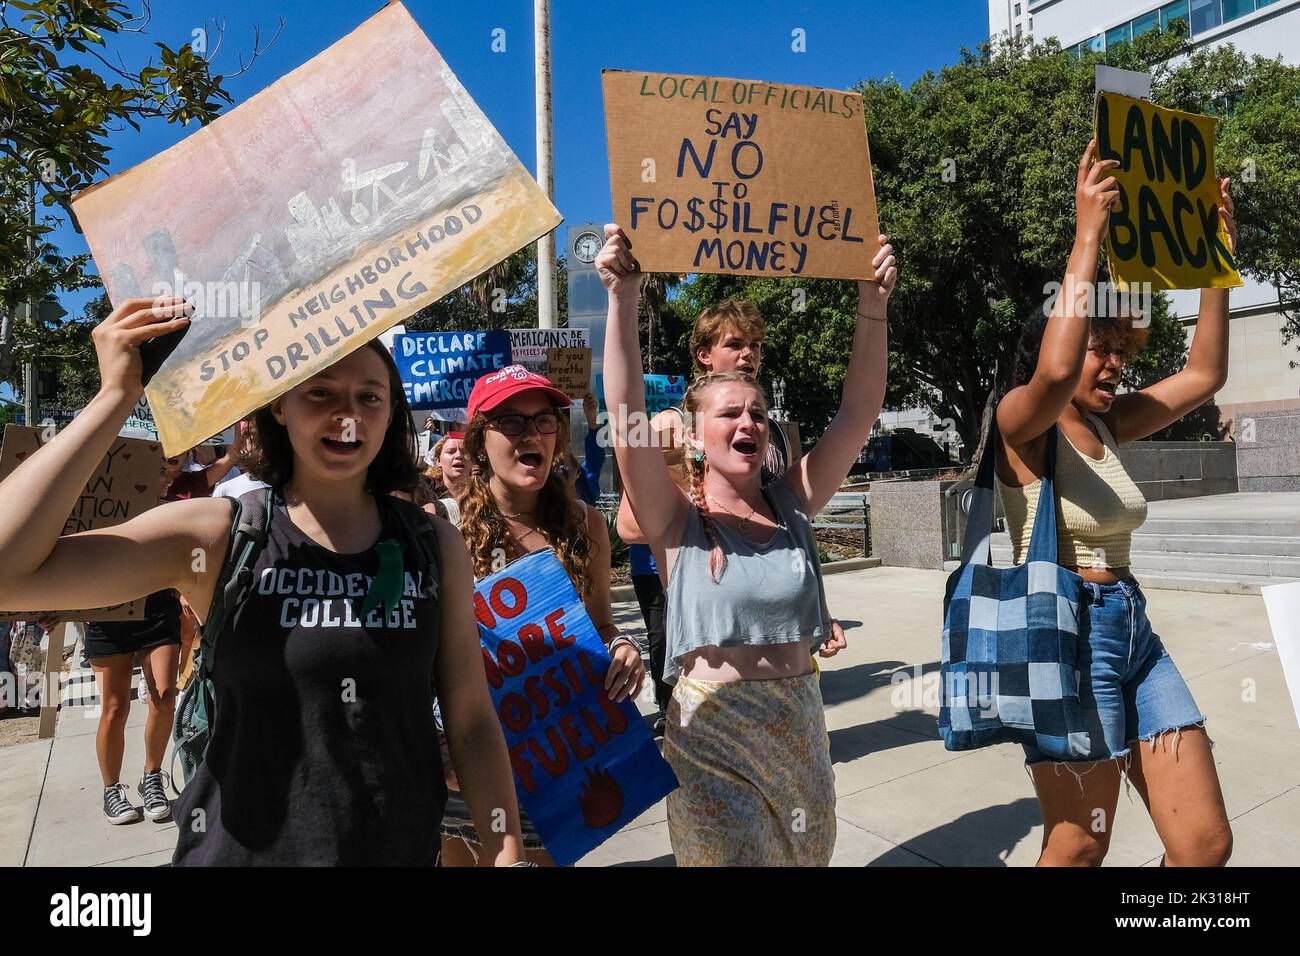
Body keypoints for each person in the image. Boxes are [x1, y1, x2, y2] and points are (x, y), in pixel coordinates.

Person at [0, 297, 525, 865]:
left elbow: (470, 717)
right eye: (320, 393)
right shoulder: (219, 534)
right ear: (280, 408)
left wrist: (506, 851)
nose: (347, 416)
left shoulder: (433, 545)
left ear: (391, 412)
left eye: (369, 398)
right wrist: (114, 397)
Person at [601, 222, 896, 865]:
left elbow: (859, 412)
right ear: (695, 432)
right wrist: (623, 296)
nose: (747, 422)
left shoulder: (793, 500)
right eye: (729, 413)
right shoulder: (674, 520)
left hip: (799, 727)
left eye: (757, 413)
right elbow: (623, 417)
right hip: (709, 735)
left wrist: (872, 305)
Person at [991, 142, 1234, 867]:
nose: (1114, 361)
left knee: (1202, 846)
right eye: (1101, 345)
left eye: (1120, 349)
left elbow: (1205, 373)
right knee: (1078, 849)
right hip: (1066, 645)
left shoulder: (1108, 422)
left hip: (1133, 634)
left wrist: (1216, 263)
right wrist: (1088, 233)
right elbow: (1058, 369)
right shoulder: (1019, 424)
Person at [437, 365, 646, 866]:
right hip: (462, 763)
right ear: (477, 441)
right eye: (510, 422)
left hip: (550, 759)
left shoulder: (587, 525)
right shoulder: (440, 526)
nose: (532, 434)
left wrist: (621, 650)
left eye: (544, 420)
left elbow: (599, 626)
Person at [425, 431, 468, 523]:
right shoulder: (423, 495)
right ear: (438, 461)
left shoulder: (486, 495)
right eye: (451, 452)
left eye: (464, 452)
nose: (459, 456)